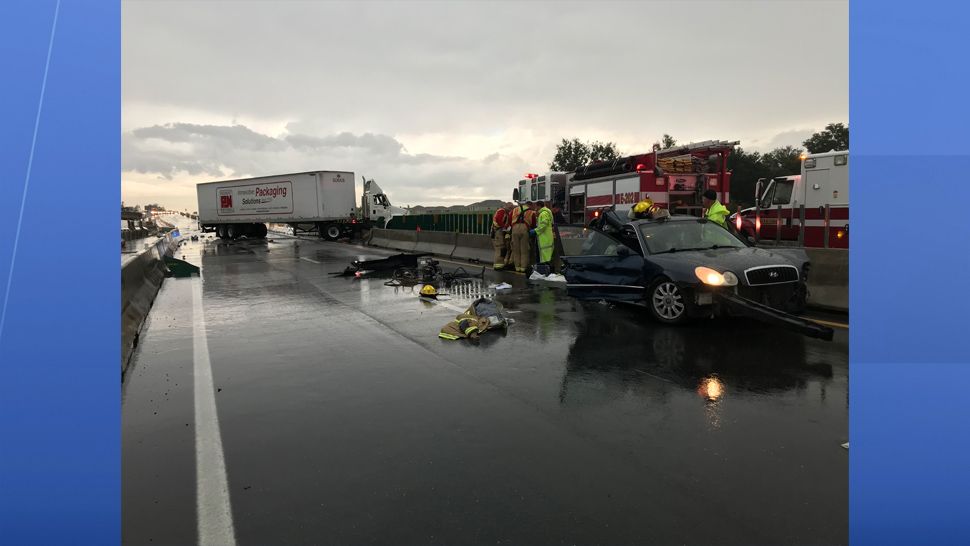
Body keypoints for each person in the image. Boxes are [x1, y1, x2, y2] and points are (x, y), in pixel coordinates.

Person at [508, 201, 533, 273]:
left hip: (515, 229)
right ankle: (523, 268)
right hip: (525, 229)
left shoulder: (514, 210)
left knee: (516, 249)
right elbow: (533, 222)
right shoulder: (531, 212)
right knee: (524, 250)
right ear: (529, 205)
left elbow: (509, 220)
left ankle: (517, 267)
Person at [533, 200, 555, 266]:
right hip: (546, 237)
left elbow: (543, 225)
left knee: (544, 257)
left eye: (536, 206)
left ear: (539, 206)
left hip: (544, 238)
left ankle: (544, 269)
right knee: (546, 257)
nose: (535, 208)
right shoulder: (545, 212)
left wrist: (535, 231)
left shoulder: (543, 214)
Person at [491, 203, 512, 269]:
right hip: (498, 231)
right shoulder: (502, 211)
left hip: (500, 231)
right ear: (506, 206)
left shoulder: (505, 212)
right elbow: (499, 220)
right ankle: (498, 265)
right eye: (510, 208)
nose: (510, 209)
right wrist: (505, 228)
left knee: (502, 248)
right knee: (500, 248)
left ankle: (500, 264)